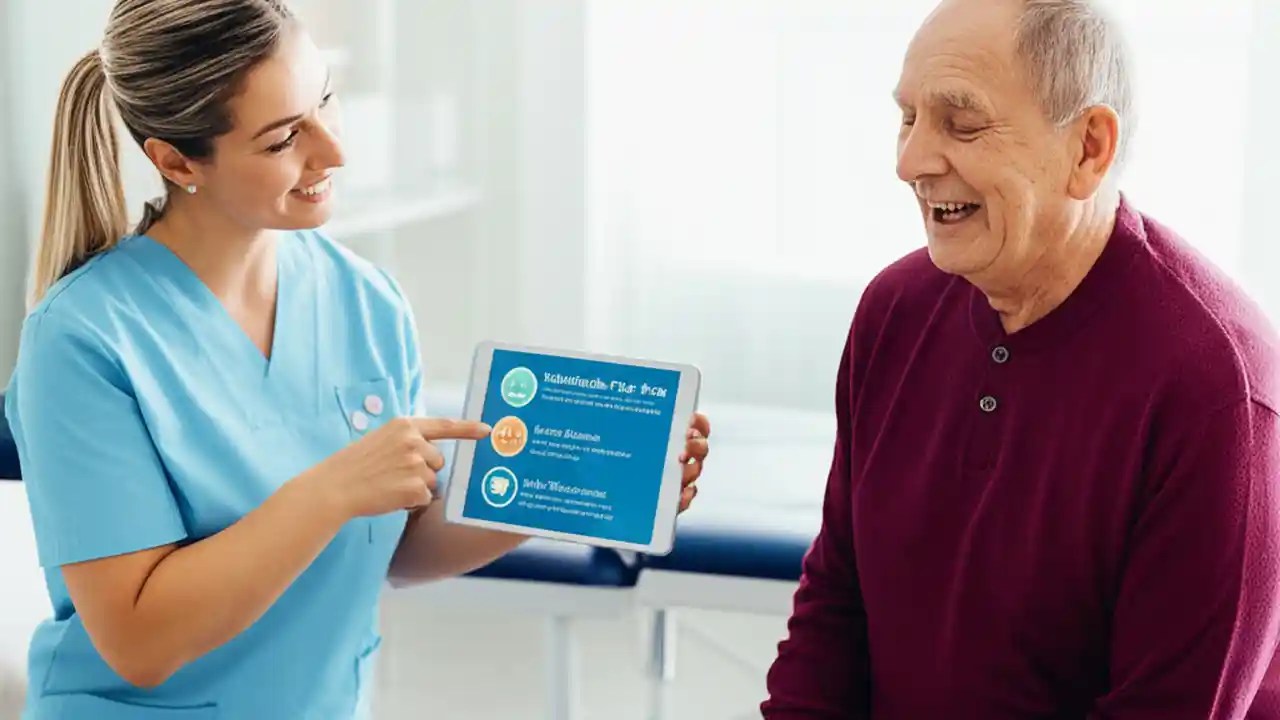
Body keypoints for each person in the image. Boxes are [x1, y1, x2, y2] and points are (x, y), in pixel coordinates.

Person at [3, 1, 712, 718]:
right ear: (177, 161)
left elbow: (396, 545)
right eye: (284, 139)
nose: (333, 150)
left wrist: (570, 480)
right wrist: (332, 490)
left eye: (326, 100)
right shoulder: (82, 340)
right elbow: (139, 641)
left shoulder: (365, 300)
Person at [762, 0, 1280, 717]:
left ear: (1088, 149)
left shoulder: (1217, 388)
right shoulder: (894, 312)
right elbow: (835, 611)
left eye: (962, 123)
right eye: (907, 118)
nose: (909, 162)